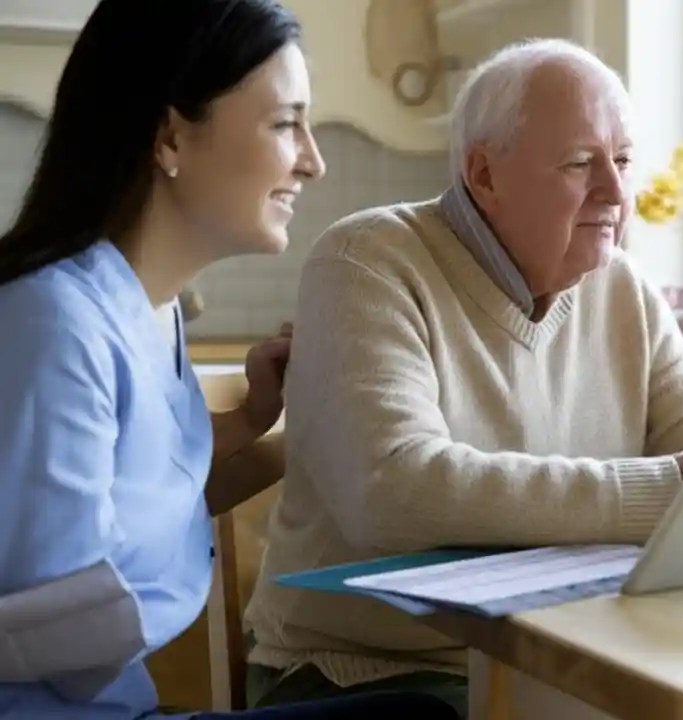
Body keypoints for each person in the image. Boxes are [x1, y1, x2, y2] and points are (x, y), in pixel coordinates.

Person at [242, 37, 683, 714]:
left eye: (622, 160)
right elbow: (394, 490)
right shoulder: (367, 261)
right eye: (580, 163)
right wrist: (663, 491)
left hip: (572, 659)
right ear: (484, 174)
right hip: (371, 677)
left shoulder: (622, 288)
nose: (617, 193)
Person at [0, 1, 458, 718]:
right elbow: (67, 612)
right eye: (285, 123)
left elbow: (137, 498)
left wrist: (268, 420)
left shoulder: (153, 310)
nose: (313, 158)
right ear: (170, 135)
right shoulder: (55, 325)